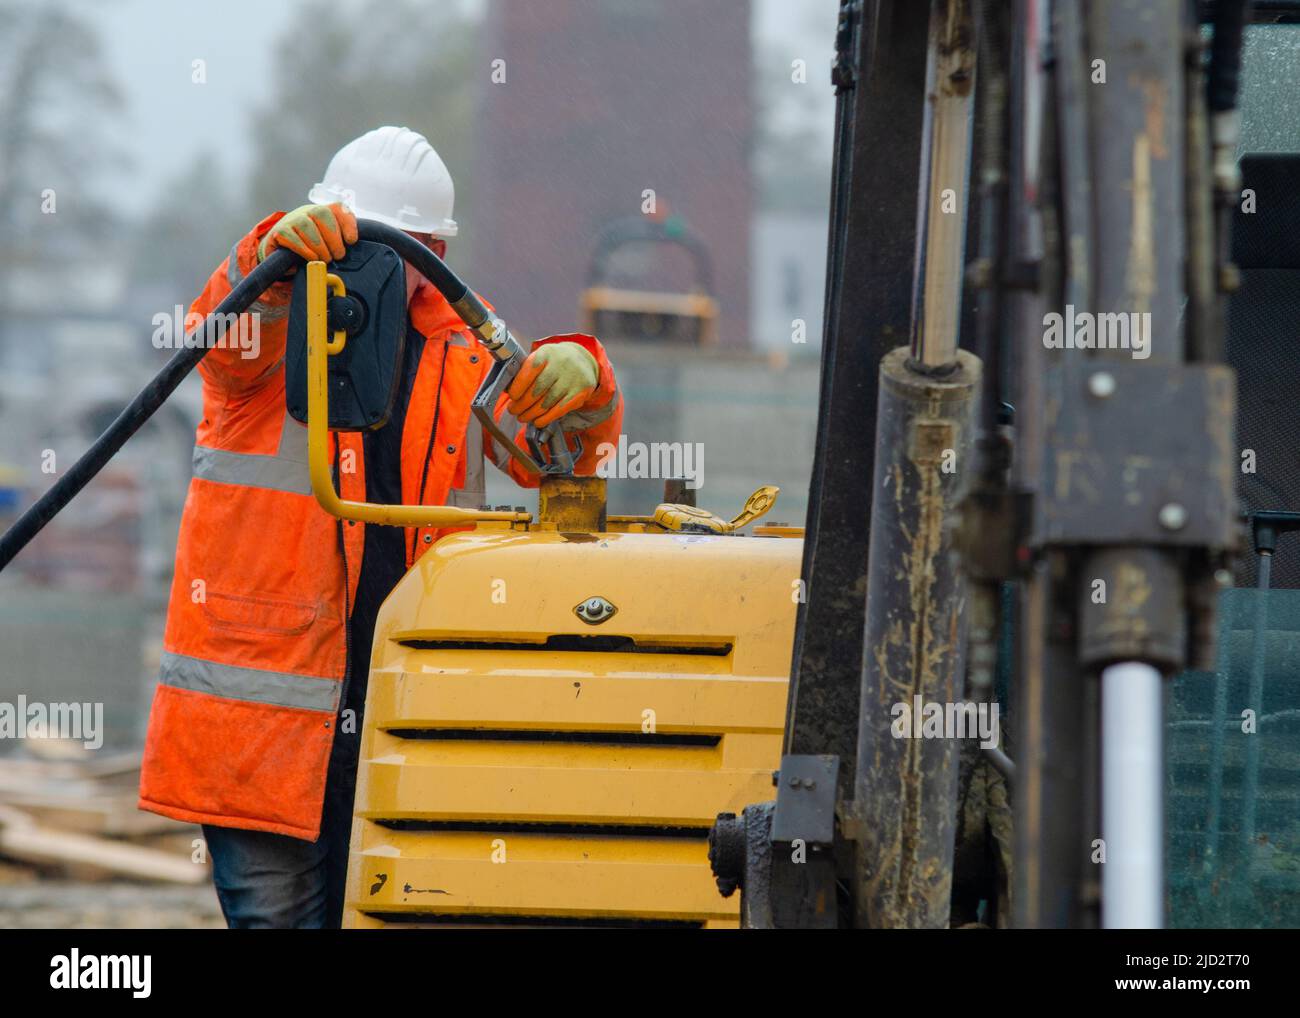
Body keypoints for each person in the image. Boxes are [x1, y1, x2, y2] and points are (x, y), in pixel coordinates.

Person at [137, 126, 623, 928]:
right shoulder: (271, 325)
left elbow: (557, 458)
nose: (381, 261)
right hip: (265, 727)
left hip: (405, 720)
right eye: (358, 235)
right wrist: (267, 256)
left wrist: (586, 379)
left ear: (433, 251)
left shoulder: (466, 344)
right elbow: (221, 344)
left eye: (408, 246)